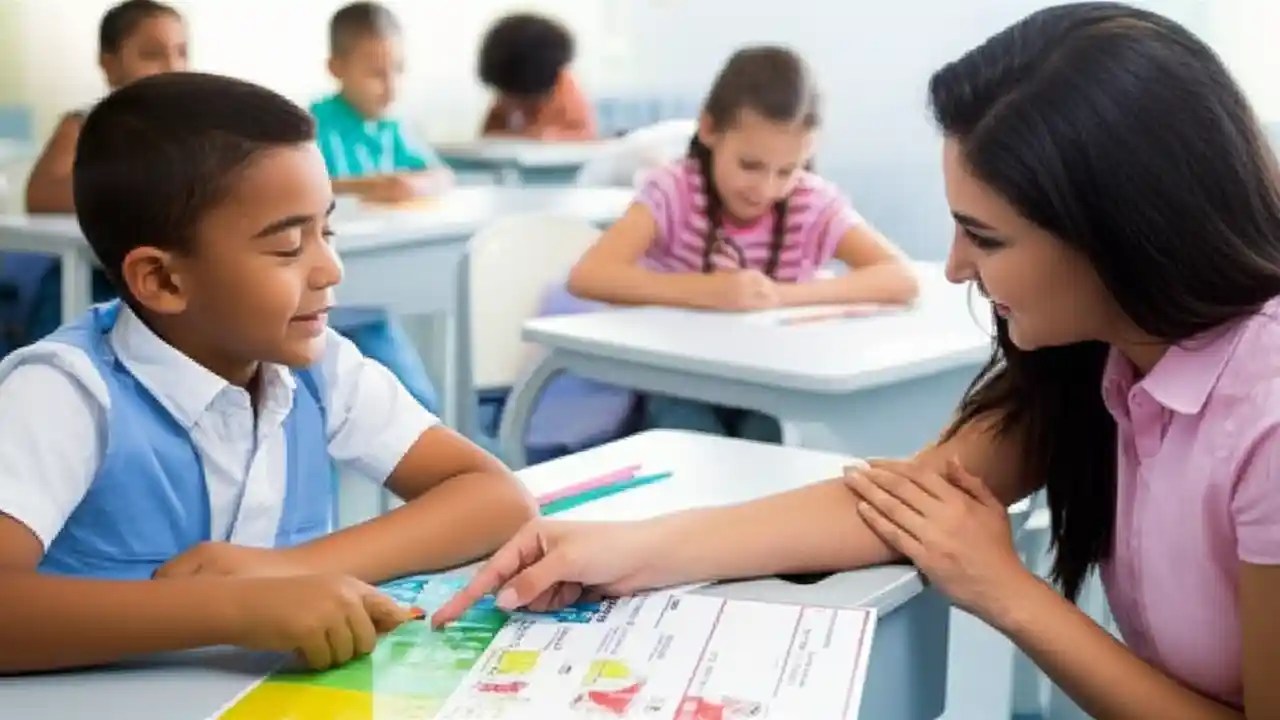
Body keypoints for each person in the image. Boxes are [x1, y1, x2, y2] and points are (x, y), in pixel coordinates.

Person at [437, 4, 1280, 716]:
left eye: (983, 236)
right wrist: (625, 548)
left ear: (1118, 231)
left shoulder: (1266, 411)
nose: (953, 267)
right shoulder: (1096, 362)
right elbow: (900, 503)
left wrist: (1007, 591)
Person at [0, 72, 535, 674]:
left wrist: (287, 569)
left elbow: (497, 498)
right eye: (287, 248)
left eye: (325, 231)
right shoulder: (64, 393)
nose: (330, 268)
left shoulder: (320, 368)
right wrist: (225, 607)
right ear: (163, 280)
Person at [565, 46, 918, 442]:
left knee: (772, 441)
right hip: (680, 380)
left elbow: (900, 278)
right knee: (688, 436)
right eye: (750, 165)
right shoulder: (674, 190)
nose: (766, 188)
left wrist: (780, 295)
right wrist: (707, 291)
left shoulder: (811, 201)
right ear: (710, 129)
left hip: (771, 384)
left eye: (787, 170)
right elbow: (589, 276)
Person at [478, 13, 597, 141]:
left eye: (521, 99)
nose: (509, 103)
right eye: (504, 94)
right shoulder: (506, 86)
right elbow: (488, 139)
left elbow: (584, 138)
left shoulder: (567, 98)